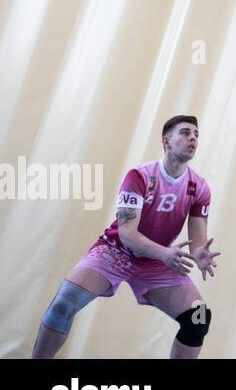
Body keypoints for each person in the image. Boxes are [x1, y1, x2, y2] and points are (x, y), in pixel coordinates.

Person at [32, 115, 219, 358]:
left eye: (196, 134)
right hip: (116, 251)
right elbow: (127, 233)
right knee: (63, 303)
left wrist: (200, 253)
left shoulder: (200, 187)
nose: (193, 138)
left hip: (156, 260)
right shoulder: (140, 176)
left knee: (199, 318)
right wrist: (164, 253)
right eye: (185, 132)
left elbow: (198, 239)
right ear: (166, 141)